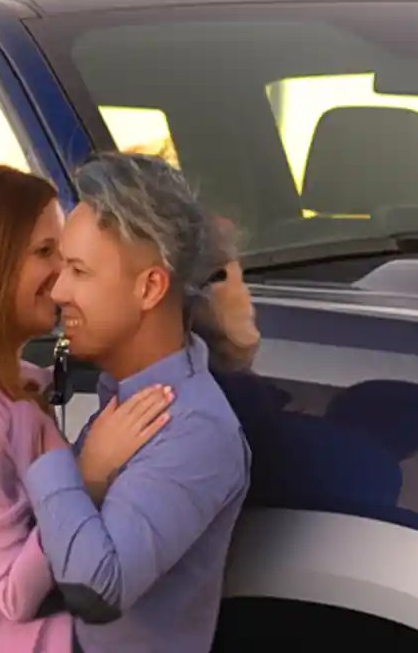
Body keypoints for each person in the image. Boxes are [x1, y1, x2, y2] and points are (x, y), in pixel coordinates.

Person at [0, 163, 171, 653]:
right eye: (44, 252)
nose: (62, 272)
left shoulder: (20, 388)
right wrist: (88, 477)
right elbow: (13, 594)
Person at [24, 153, 252, 653]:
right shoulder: (127, 399)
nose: (58, 290)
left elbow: (96, 588)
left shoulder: (192, 429)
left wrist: (54, 461)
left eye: (79, 271)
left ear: (149, 288)